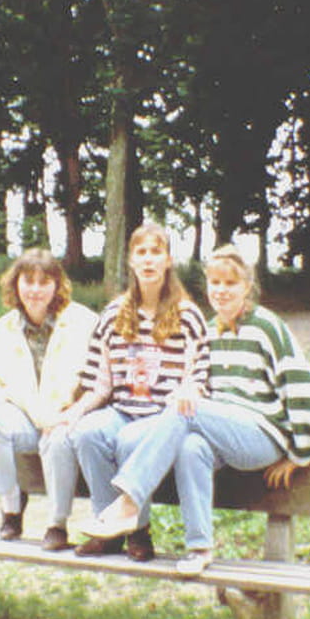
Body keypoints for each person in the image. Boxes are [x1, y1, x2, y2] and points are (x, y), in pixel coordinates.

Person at [79, 244, 310, 576]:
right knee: (186, 446)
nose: (221, 291)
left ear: (247, 286)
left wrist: (300, 453)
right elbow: (201, 386)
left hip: (262, 434)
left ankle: (129, 503)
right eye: (215, 283)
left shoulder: (267, 327)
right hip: (221, 432)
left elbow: (303, 387)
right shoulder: (208, 331)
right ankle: (199, 547)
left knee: (186, 408)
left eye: (230, 283)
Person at [42, 223, 210, 559]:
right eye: (141, 253)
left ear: (168, 260)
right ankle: (108, 529)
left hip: (163, 418)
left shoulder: (188, 316)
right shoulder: (113, 314)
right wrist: (72, 413)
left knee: (130, 439)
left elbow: (199, 377)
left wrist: (189, 389)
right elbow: (100, 384)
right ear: (131, 261)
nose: (148, 260)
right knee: (87, 433)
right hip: (122, 410)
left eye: (156, 252)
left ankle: (138, 531)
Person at [0, 248, 97, 546]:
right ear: (16, 284)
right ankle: (11, 507)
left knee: (57, 438)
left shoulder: (84, 321)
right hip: (26, 419)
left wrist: (69, 412)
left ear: (57, 285)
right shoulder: (5, 327)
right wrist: (16, 402)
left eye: (44, 282)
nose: (35, 290)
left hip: (69, 418)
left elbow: (99, 376)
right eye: (28, 281)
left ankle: (57, 524)